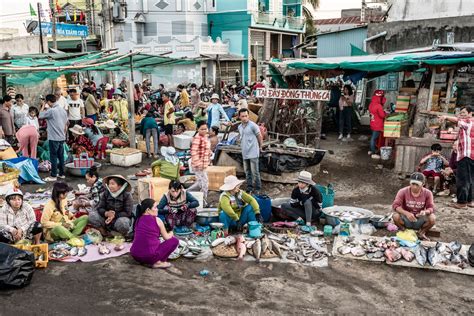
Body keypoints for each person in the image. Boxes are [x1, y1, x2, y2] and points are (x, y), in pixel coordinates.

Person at [439, 106, 474, 209]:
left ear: (471, 113)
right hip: (471, 156)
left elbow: (457, 120)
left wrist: (445, 117)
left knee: (463, 179)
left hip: (466, 155)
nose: (461, 114)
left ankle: (462, 202)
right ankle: (470, 201)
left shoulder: (469, 122)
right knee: (471, 179)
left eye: (464, 112)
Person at [130, 198, 179, 269]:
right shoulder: (157, 220)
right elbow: (167, 237)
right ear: (148, 210)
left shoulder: (138, 219)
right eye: (155, 207)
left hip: (135, 255)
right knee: (174, 241)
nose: (157, 209)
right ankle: (158, 262)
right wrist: (171, 232)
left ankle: (147, 261)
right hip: (150, 257)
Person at [392, 172, 435, 240]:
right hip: (406, 218)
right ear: (410, 183)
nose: (414, 187)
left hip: (420, 218)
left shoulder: (428, 193)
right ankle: (404, 230)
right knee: (395, 216)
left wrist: (425, 212)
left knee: (432, 218)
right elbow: (395, 205)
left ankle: (422, 232)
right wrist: (406, 213)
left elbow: (431, 208)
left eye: (417, 184)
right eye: (413, 184)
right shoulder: (402, 191)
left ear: (423, 184)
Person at [39, 94, 68, 182]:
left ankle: (53, 175)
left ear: (48, 102)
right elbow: (66, 123)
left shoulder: (51, 111)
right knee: (61, 156)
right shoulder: (63, 110)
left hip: (54, 137)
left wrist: (43, 105)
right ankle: (62, 174)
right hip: (61, 136)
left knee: (53, 157)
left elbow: (40, 115)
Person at [238, 108, 262, 194]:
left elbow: (259, 136)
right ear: (239, 117)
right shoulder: (239, 127)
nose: (244, 118)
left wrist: (260, 146)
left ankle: (257, 189)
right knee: (247, 172)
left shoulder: (253, 125)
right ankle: (249, 187)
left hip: (253, 152)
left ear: (248, 116)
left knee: (255, 172)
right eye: (242, 116)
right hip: (245, 152)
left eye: (246, 116)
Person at [188, 121, 211, 204]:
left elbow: (206, 149)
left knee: (202, 182)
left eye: (205, 129)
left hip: (204, 164)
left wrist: (209, 154)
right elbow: (193, 153)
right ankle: (203, 201)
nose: (204, 130)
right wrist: (199, 164)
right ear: (198, 129)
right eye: (202, 129)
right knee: (204, 183)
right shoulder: (197, 139)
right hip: (199, 166)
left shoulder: (205, 137)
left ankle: (190, 194)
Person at [368, 90, 387, 159]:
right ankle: (373, 153)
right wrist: (385, 114)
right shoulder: (378, 106)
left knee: (373, 138)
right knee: (373, 138)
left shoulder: (371, 104)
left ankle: (370, 150)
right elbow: (382, 116)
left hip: (372, 123)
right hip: (378, 124)